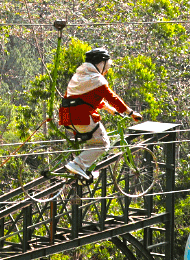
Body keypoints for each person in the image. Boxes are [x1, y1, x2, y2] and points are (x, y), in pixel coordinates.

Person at [58, 47, 142, 181]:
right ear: (101, 63)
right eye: (106, 66)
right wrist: (131, 112)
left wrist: (110, 109)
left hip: (67, 117)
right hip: (82, 117)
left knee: (92, 144)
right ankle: (77, 164)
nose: (107, 70)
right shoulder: (96, 79)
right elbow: (113, 98)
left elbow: (89, 98)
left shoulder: (79, 76)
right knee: (103, 144)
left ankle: (84, 171)